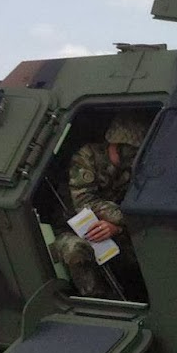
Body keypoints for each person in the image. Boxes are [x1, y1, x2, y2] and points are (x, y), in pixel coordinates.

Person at [52, 115, 149, 296]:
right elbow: (84, 203)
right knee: (76, 250)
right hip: (71, 230)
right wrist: (123, 217)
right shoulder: (86, 158)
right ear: (115, 145)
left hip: (111, 229)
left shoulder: (131, 169)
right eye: (130, 151)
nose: (133, 157)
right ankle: (97, 303)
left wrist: (117, 228)